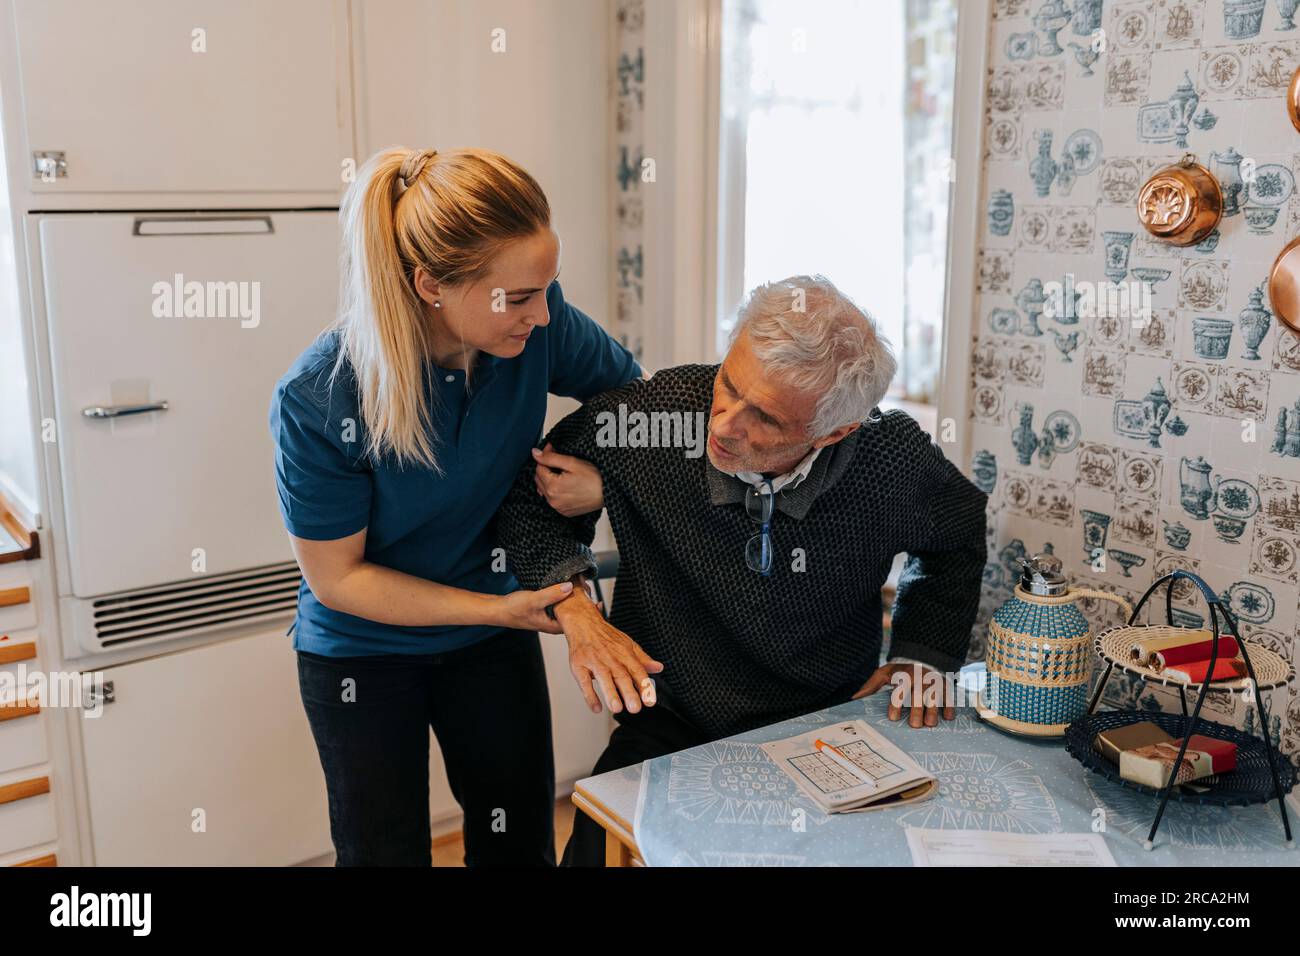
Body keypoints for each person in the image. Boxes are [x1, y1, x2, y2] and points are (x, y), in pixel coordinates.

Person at [496, 275, 989, 865]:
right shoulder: (661, 411)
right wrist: (578, 608)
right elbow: (531, 496)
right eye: (728, 385)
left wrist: (922, 654)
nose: (725, 425)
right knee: (594, 850)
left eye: (768, 420)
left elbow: (956, 535)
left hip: (825, 717)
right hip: (671, 716)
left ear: (835, 431)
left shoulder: (891, 458)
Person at [268, 146, 641, 866]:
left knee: (518, 843)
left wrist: (606, 481)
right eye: (519, 297)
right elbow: (339, 579)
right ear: (431, 284)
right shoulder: (321, 395)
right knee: (385, 853)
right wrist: (498, 610)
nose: (543, 314)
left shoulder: (539, 323)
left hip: (489, 641)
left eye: (547, 288)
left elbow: (642, 406)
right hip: (363, 650)